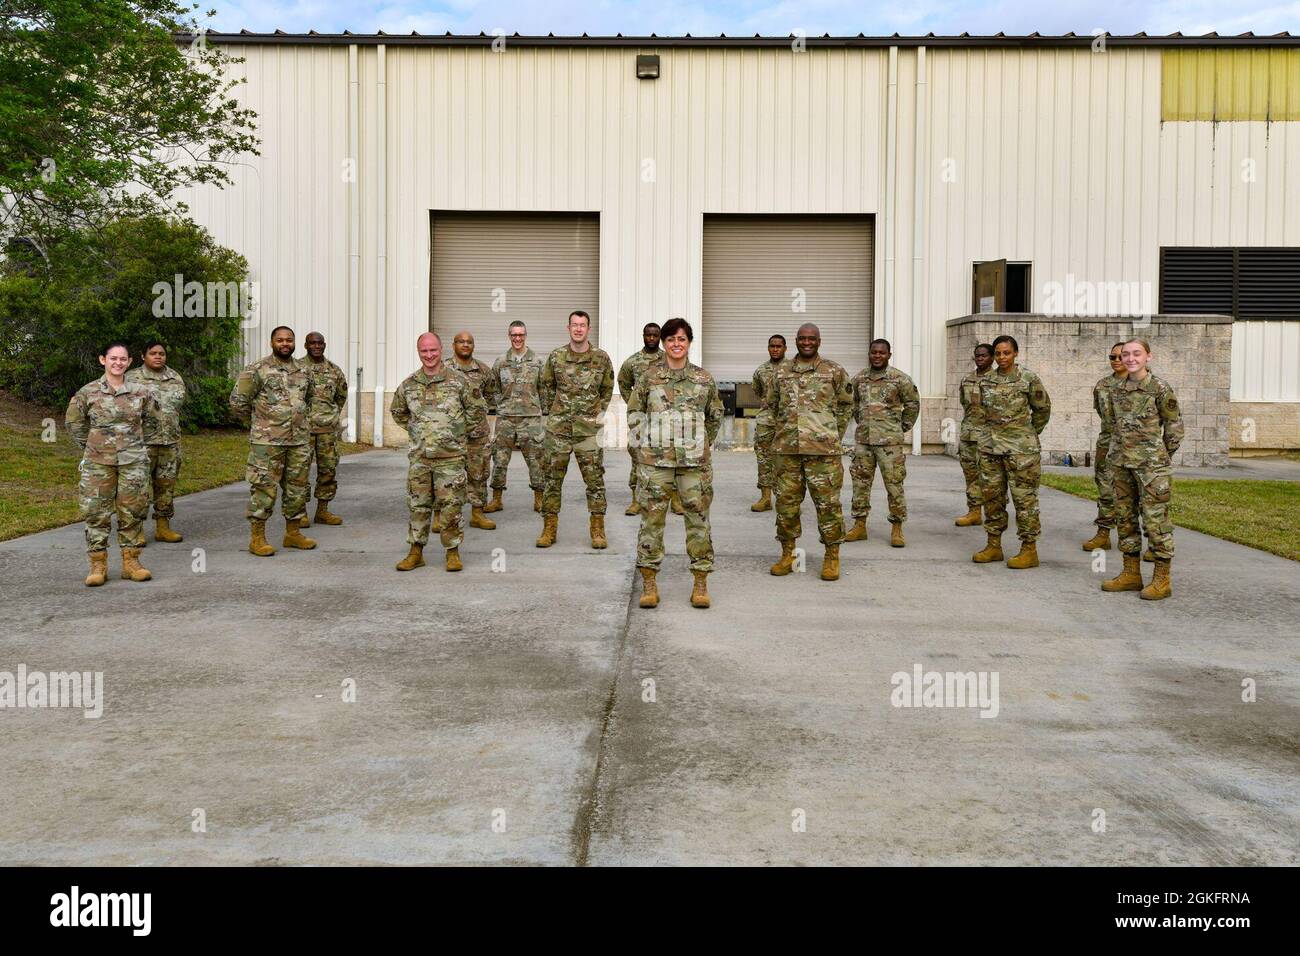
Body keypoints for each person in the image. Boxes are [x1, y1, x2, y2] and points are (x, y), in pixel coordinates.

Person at [627, 318, 723, 609]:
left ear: (689, 342)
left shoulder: (703, 379)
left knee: (698, 522)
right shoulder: (649, 377)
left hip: (694, 465)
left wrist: (699, 444)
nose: (676, 344)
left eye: (681, 339)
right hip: (655, 464)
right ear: (664, 343)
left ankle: (700, 582)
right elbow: (635, 413)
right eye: (671, 340)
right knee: (651, 523)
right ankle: (649, 582)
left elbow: (715, 416)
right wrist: (643, 449)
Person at [390, 332, 486, 572]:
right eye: (424, 351)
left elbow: (476, 411)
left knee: (452, 506)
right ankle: (416, 552)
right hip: (421, 459)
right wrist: (418, 431)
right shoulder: (409, 385)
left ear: (441, 350)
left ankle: (452, 553)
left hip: (451, 459)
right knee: (418, 506)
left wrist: (455, 434)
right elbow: (398, 412)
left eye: (433, 350)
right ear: (418, 352)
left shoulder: (459, 382)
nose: (429, 355)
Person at [765, 323, 853, 581]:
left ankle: (832, 555)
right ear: (795, 341)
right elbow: (771, 406)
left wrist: (830, 431)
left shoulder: (833, 371)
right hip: (787, 451)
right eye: (802, 339)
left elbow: (847, 405)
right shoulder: (781, 372)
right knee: (786, 505)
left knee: (828, 506)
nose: (806, 342)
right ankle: (788, 554)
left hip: (823, 453)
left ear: (819, 341)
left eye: (811, 339)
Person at [66, 342, 158, 585]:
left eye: (123, 359)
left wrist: (136, 445)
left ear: (129, 362)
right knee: (96, 512)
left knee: (133, 511)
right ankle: (98, 565)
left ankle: (131, 563)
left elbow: (153, 422)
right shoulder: (87, 392)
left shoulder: (141, 392)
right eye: (113, 358)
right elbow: (74, 424)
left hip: (133, 462)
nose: (118, 363)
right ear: (102, 360)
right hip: (98, 462)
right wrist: (93, 445)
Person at [1101, 338, 1183, 600]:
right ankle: (1131, 574)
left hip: (1151, 469)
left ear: (1149, 356)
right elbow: (1112, 425)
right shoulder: (1115, 389)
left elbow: (1174, 428)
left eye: (1137, 354)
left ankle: (1162, 579)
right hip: (1121, 465)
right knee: (1125, 520)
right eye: (1126, 354)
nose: (1130, 358)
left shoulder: (1159, 388)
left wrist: (1159, 458)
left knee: (1155, 522)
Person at [229, 326, 316, 556]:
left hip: (298, 441)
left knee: (297, 489)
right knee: (263, 489)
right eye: (280, 340)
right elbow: (238, 402)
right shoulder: (258, 369)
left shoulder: (304, 371)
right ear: (272, 342)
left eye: (289, 340)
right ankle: (257, 538)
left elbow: (308, 400)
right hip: (267, 443)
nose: (285, 344)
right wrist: (261, 424)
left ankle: (293, 533)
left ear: (295, 342)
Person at [537, 310, 614, 550]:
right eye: (574, 325)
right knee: (552, 480)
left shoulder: (601, 358)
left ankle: (598, 528)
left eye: (582, 325)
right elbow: (545, 385)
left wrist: (594, 413)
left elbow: (607, 388)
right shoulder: (556, 357)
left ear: (588, 329)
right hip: (558, 429)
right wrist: (553, 412)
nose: (578, 329)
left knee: (594, 481)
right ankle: (549, 528)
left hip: (588, 431)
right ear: (568, 328)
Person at [972, 335, 1051, 569]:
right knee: (992, 497)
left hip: (1021, 452)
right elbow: (981, 411)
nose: (1002, 357)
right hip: (990, 448)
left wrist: (1024, 434)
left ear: (1015, 353)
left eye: (1006, 353)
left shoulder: (1028, 378)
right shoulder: (986, 381)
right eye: (998, 353)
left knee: (1024, 500)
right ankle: (993, 545)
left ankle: (1029, 550)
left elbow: (1042, 410)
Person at [844, 338, 919, 547]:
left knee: (894, 485)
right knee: (860, 484)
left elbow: (913, 404)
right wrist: (863, 423)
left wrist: (901, 427)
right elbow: (854, 403)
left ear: (889, 355)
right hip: (864, 442)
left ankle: (897, 528)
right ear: (869, 354)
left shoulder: (900, 379)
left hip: (889, 444)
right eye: (874, 352)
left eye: (881, 353)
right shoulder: (859, 379)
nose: (877, 356)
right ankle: (859, 525)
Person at [124, 340, 187, 542]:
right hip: (142, 443)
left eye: (161, 353)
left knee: (166, 486)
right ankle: (135, 530)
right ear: (143, 356)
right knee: (139, 488)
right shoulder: (132, 378)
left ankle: (163, 527)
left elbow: (177, 406)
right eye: (153, 353)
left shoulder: (174, 377)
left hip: (170, 442)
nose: (158, 356)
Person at [487, 321, 545, 514]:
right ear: (509, 336)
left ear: (526, 335)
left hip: (530, 419)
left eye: (521, 335)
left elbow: (544, 388)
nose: (518, 338)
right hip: (506, 419)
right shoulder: (501, 361)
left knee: (536, 459)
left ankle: (539, 499)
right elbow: (493, 387)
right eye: (514, 335)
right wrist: (502, 406)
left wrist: (538, 408)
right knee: (499, 460)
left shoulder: (537, 361)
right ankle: (496, 499)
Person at [446, 331, 500, 532]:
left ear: (473, 346)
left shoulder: (484, 370)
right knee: (447, 475)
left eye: (469, 342)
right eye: (461, 341)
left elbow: (490, 397)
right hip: (450, 435)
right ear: (453, 345)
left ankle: (478, 513)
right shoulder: (444, 369)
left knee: (479, 473)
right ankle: (440, 516)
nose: (465, 345)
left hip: (477, 434)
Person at [1081, 343, 1128, 552]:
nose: (1116, 360)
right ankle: (1104, 533)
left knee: (1139, 495)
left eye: (1121, 356)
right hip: (1107, 443)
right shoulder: (1102, 386)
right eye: (1112, 357)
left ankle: (1147, 540)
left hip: (1134, 446)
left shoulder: (1145, 384)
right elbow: (1103, 414)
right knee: (1106, 489)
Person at [299, 331, 349, 527]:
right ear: (306, 346)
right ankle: (300, 513)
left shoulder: (334, 371)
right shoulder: (298, 369)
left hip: (327, 431)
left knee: (328, 471)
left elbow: (341, 396)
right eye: (312, 343)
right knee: (299, 473)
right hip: (303, 431)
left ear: (324, 345)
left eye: (319, 343)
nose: (316, 346)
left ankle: (322, 511)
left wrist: (330, 415)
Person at [617, 322, 666, 516]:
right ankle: (636, 500)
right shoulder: (633, 362)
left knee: (669, 456)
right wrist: (633, 403)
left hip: (664, 418)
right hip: (640, 419)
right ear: (643, 336)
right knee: (638, 457)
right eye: (648, 335)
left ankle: (675, 500)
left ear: (660, 336)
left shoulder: (668, 359)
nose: (651, 338)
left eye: (655, 335)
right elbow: (623, 383)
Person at [954, 343, 994, 526]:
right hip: (969, 436)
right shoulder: (967, 380)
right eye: (977, 356)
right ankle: (974, 512)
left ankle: (995, 514)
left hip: (990, 438)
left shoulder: (997, 380)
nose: (980, 359)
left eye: (984, 356)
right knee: (970, 476)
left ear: (992, 358)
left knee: (991, 478)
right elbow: (965, 404)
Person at [750, 334, 788, 512]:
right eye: (772, 346)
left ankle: (787, 499)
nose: (775, 349)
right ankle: (765, 498)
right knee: (764, 459)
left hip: (787, 421)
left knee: (787, 462)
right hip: (766, 420)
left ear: (785, 348)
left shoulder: (792, 369)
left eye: (778, 346)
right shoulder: (761, 370)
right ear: (768, 348)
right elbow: (758, 391)